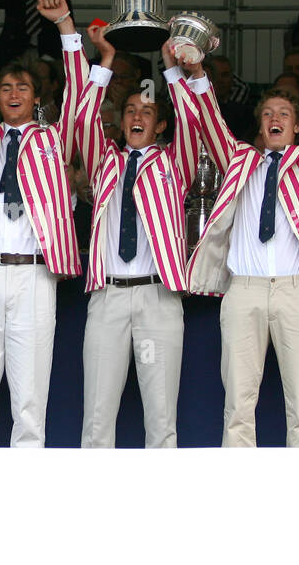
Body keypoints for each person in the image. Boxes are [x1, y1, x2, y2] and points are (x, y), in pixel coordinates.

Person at [182, 0, 299, 448]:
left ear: (297, 127)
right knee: (237, 407)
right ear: (259, 127)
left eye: (285, 115)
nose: (275, 119)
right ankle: (241, 502)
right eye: (268, 114)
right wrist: (195, 73)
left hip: (296, 290)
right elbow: (210, 120)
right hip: (245, 289)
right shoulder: (239, 160)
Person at [0, 0, 86, 447]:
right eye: (5, 88)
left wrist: (66, 25)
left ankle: (25, 492)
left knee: (30, 396)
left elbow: (82, 95)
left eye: (22, 88)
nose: (12, 94)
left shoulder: (53, 138)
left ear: (37, 97)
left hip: (33, 272)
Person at [75, 28, 203, 448]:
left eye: (146, 112)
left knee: (161, 417)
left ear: (159, 124)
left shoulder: (174, 164)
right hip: (108, 296)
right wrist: (105, 59)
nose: (135, 117)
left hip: (157, 297)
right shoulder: (104, 161)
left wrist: (171, 67)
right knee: (96, 418)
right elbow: (82, 119)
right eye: (130, 110)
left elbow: (192, 121)